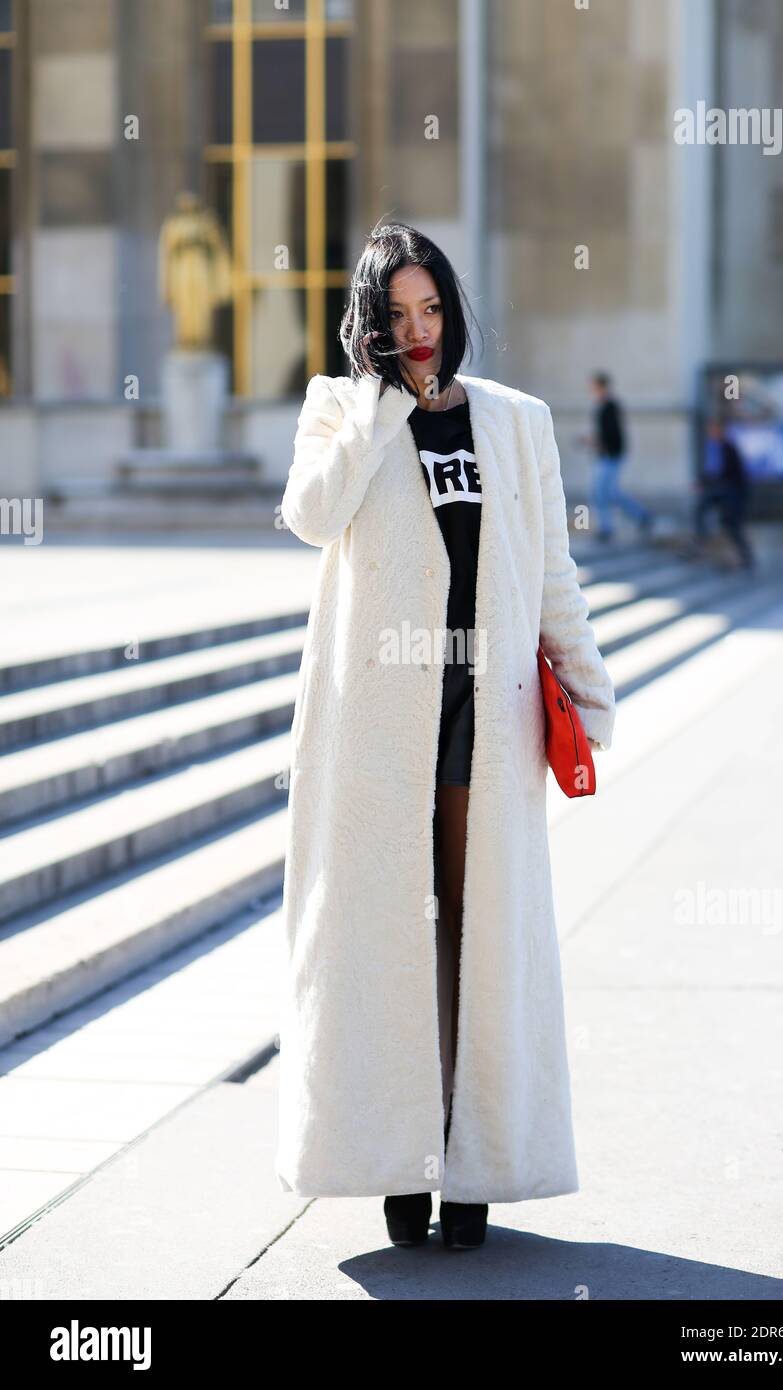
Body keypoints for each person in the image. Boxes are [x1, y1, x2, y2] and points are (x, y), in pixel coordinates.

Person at [276, 223, 615, 1252]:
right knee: (389, 932)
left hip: (488, 712)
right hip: (378, 725)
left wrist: (586, 691)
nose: (418, 333)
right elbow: (307, 514)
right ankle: (397, 1161)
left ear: (453, 310)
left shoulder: (515, 422)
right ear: (368, 328)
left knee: (475, 928)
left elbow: (549, 567)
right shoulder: (338, 411)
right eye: (395, 318)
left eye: (430, 311)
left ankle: (473, 1163)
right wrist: (380, 410)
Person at [584, 371, 653, 542]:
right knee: (610, 493)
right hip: (606, 455)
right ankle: (641, 516)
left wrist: (599, 442)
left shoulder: (611, 406)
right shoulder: (602, 405)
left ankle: (607, 528)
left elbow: (613, 433)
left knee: (602, 492)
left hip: (611, 455)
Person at [693, 419, 754, 570]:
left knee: (732, 526)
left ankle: (746, 558)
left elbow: (727, 473)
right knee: (701, 509)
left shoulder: (728, 448)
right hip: (721, 491)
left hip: (732, 493)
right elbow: (712, 471)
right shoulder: (714, 448)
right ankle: (702, 542)